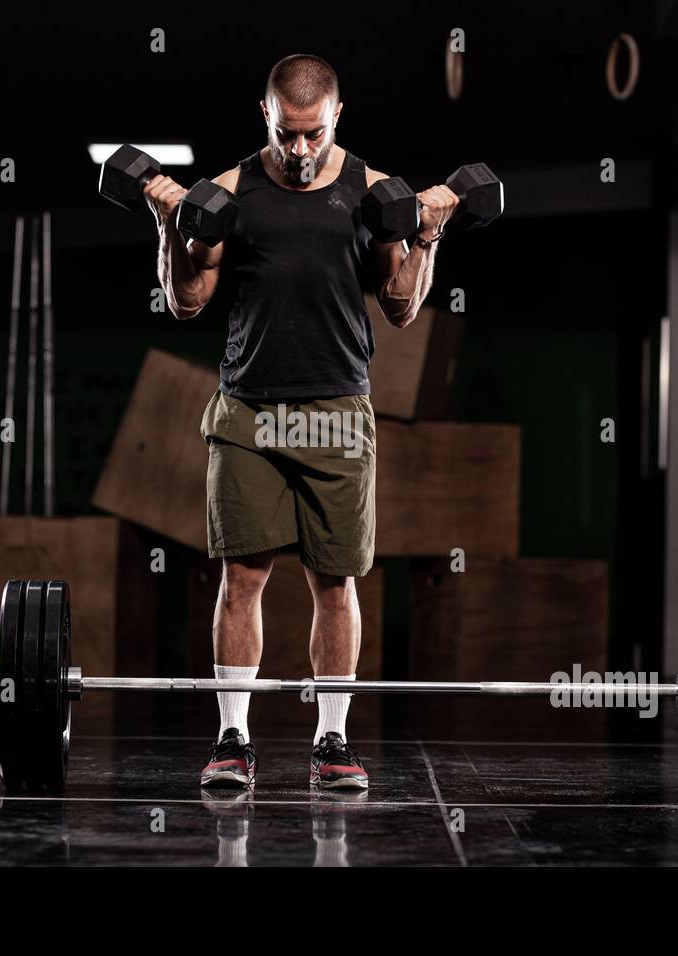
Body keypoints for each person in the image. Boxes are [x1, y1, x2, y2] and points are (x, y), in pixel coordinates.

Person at [141, 54, 457, 789]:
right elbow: (187, 302)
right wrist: (169, 226)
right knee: (242, 577)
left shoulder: (375, 192)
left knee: (335, 582)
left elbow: (403, 308)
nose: (301, 149)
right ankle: (231, 740)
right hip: (249, 410)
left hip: (338, 411)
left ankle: (333, 743)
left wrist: (430, 237)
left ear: (337, 117)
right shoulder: (227, 192)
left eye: (313, 134)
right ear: (266, 116)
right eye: (288, 132)